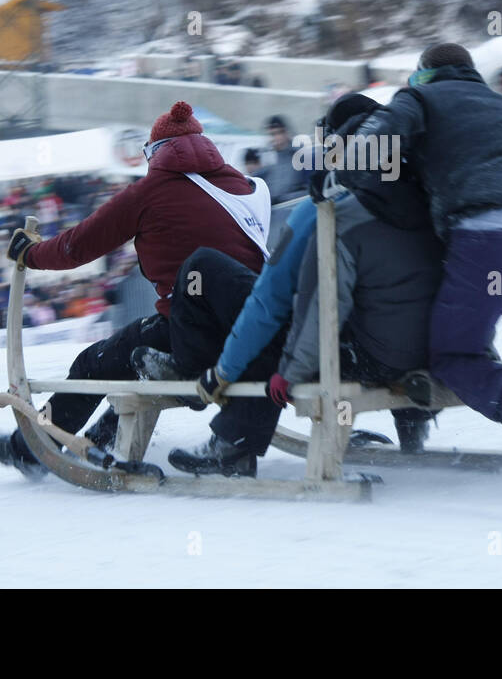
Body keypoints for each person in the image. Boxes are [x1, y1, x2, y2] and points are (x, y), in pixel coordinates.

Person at [340, 43, 502, 486]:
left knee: (454, 355)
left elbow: (374, 140)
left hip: (487, 243)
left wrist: (336, 167)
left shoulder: (416, 98)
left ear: (423, 74)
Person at [0, 101, 269, 478]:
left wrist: (30, 254)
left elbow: (78, 246)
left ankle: (34, 447)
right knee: (130, 356)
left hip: (194, 335)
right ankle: (101, 439)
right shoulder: (243, 184)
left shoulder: (150, 192)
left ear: (155, 151)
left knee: (97, 362)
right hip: (256, 330)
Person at [166, 95, 443, 475]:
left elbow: (269, 302)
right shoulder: (429, 194)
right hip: (432, 350)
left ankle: (234, 439)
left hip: (357, 359)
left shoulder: (325, 207)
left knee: (211, 271)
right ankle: (411, 422)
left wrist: (225, 371)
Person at [259, 115, 310, 203]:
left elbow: (309, 191)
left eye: (277, 134)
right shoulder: (272, 159)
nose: (274, 139)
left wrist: (282, 198)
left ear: (286, 133)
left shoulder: (301, 156)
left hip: (293, 207)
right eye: (271, 134)